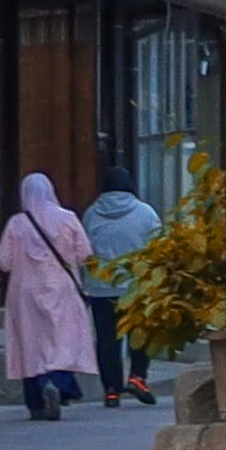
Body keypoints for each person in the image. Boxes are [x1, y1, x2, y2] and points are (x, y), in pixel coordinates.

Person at [0, 172, 99, 422]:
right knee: (63, 338)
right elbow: (84, 253)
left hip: (25, 291)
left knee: (31, 343)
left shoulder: (17, 223)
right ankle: (56, 381)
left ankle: (36, 399)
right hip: (62, 286)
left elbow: (3, 261)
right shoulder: (68, 218)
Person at [79, 163, 167, 409]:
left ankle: (111, 389)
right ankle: (138, 376)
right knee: (140, 334)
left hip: (101, 287)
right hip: (137, 285)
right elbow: (157, 247)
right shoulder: (145, 212)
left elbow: (85, 249)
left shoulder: (91, 214)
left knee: (107, 339)